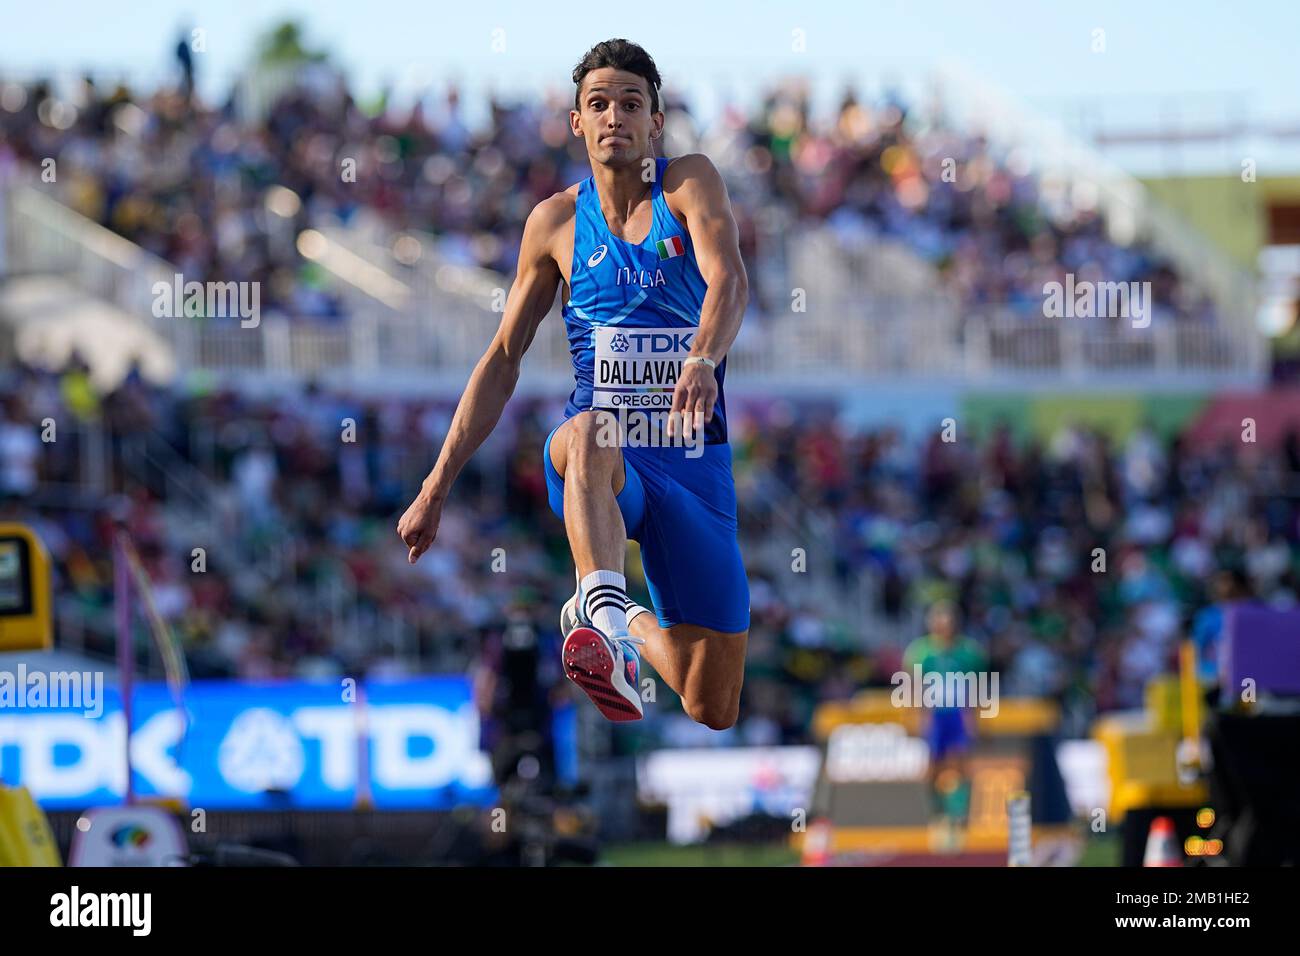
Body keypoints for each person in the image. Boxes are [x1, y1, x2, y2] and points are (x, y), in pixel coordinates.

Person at [398, 39, 749, 728]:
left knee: (712, 705)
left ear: (655, 121)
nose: (614, 115)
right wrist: (435, 486)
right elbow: (503, 359)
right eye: (598, 104)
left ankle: (610, 616)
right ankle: (604, 611)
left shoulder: (688, 183)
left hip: (692, 468)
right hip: (600, 466)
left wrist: (702, 360)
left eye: (630, 103)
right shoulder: (555, 223)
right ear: (576, 123)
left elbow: (729, 278)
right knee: (590, 430)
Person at [902, 601, 988, 825]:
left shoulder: (968, 651)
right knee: (933, 764)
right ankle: (936, 811)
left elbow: (977, 686)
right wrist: (918, 714)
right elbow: (913, 685)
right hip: (934, 713)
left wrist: (974, 716)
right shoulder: (921, 651)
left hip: (958, 712)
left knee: (961, 762)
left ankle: (961, 812)